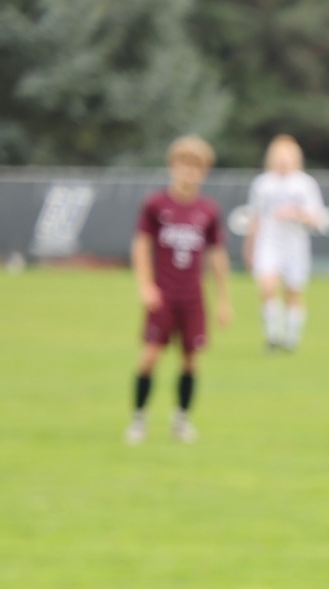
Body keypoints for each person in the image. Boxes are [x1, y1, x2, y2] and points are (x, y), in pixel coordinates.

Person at [125, 136, 231, 445]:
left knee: (190, 360)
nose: (189, 172)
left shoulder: (208, 211)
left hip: (193, 296)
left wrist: (223, 299)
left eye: (196, 167)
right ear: (172, 167)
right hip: (163, 294)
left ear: (204, 172)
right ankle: (138, 419)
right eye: (183, 165)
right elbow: (142, 246)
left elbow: (217, 255)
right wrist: (145, 285)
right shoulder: (156, 205)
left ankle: (181, 421)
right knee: (149, 357)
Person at [245, 135, 328, 352]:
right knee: (267, 286)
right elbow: (254, 218)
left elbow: (317, 219)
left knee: (293, 291)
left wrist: (297, 213)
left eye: (287, 157)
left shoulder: (305, 184)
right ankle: (273, 336)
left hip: (295, 245)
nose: (283, 161)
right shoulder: (262, 184)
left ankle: (291, 338)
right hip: (269, 243)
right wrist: (249, 247)